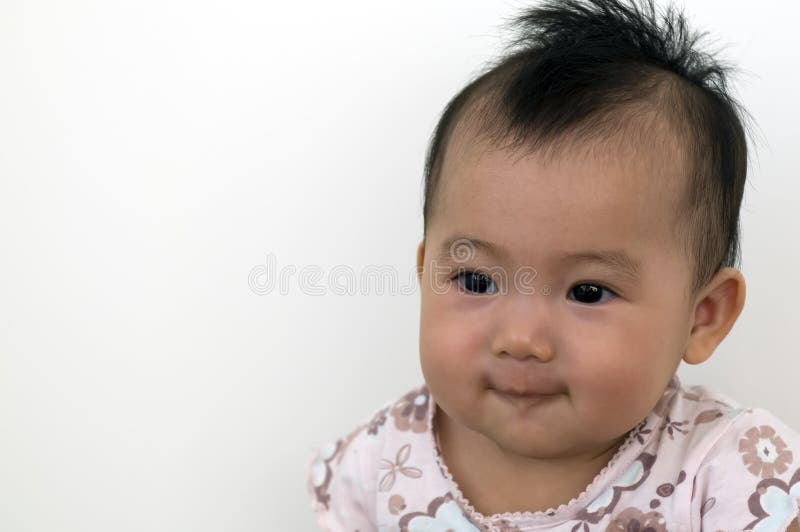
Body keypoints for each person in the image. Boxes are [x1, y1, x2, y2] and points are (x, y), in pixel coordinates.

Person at [306, 0, 800, 529]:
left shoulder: (732, 474)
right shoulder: (377, 463)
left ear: (702, 316)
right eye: (476, 280)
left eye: (587, 292)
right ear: (428, 275)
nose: (520, 338)